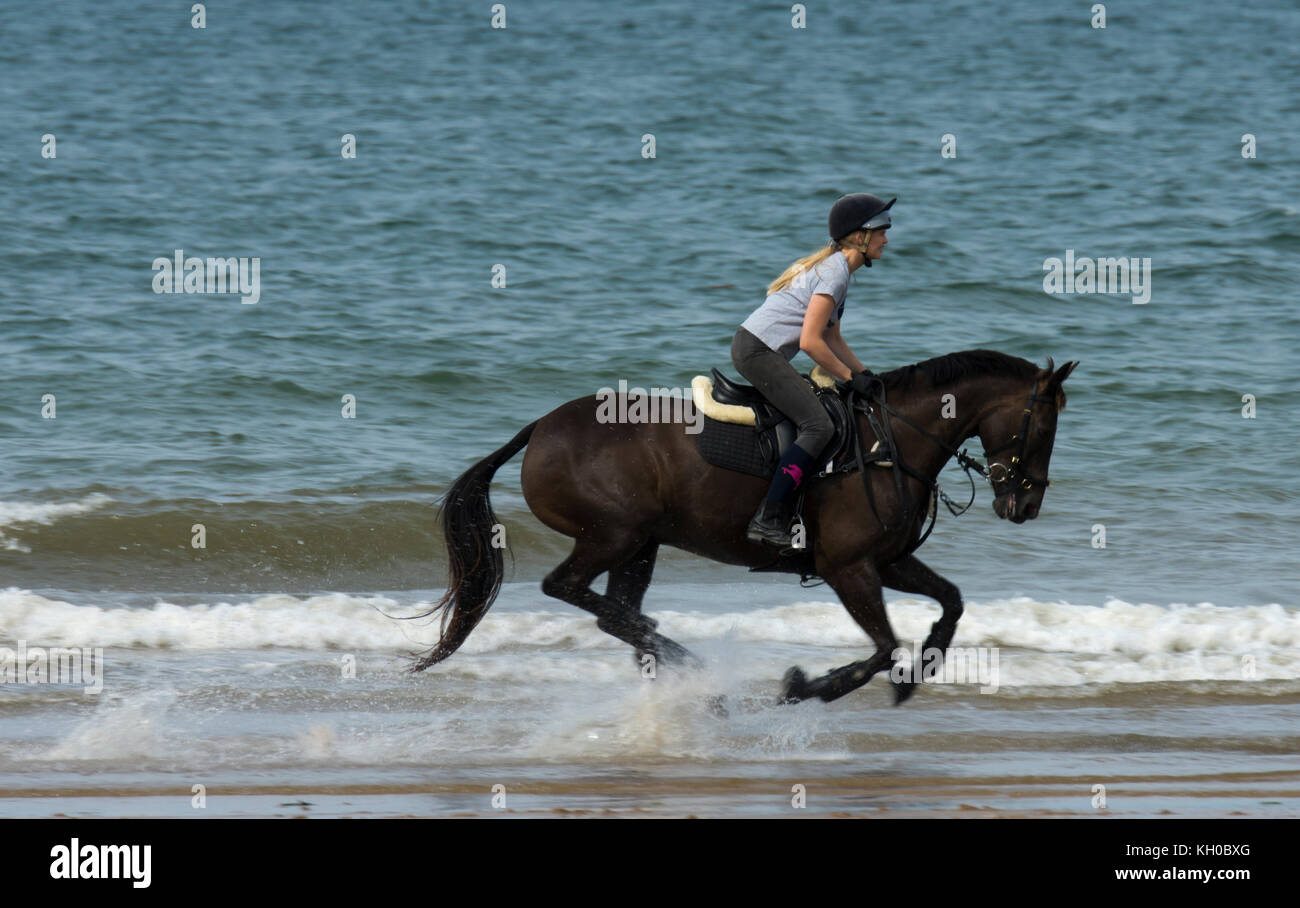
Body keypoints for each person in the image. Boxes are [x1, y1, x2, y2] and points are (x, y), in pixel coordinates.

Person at [731, 192, 894, 547]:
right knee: (818, 425)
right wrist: (850, 379)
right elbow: (810, 342)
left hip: (756, 348)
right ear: (859, 236)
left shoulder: (838, 270)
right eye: (882, 229)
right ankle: (769, 516)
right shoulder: (835, 274)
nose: (887, 238)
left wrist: (866, 375)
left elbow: (832, 337)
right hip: (757, 351)